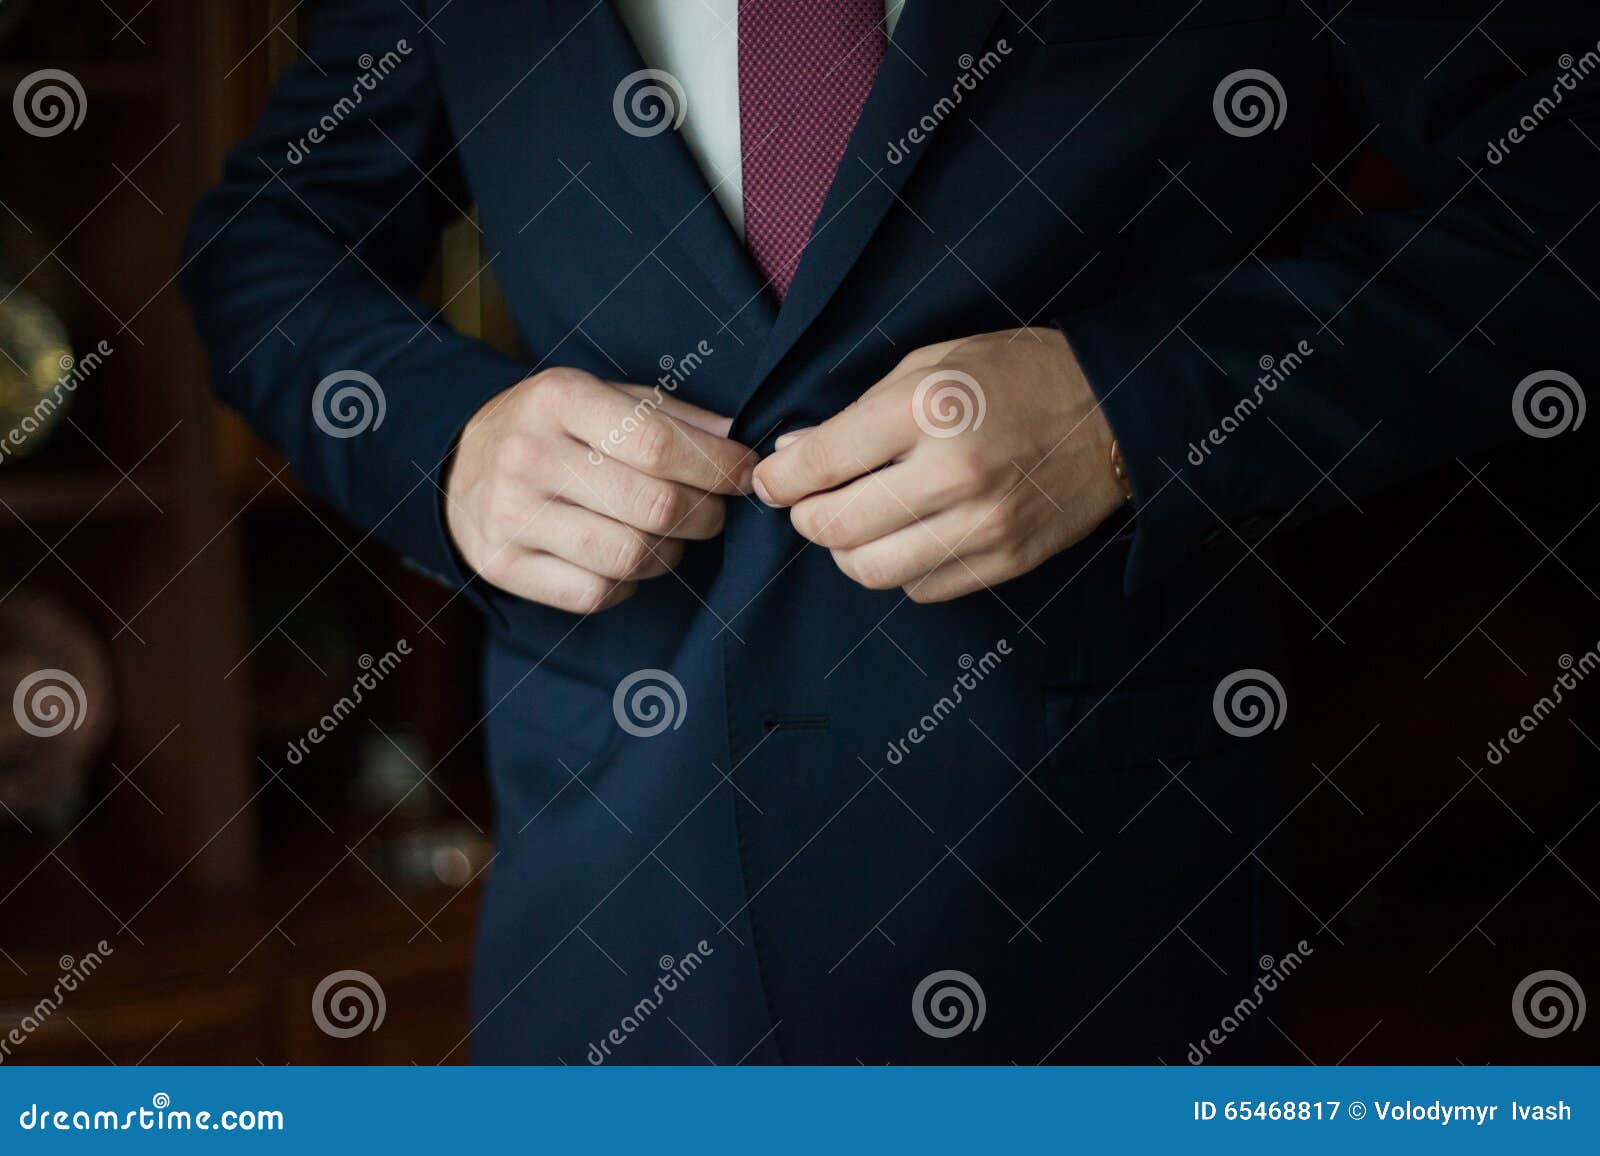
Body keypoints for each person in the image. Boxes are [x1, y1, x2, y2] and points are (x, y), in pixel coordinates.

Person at [183, 1, 1599, 1062]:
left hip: (1101, 931)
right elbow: (267, 239)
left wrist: (1139, 403)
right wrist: (450, 445)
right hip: (604, 943)